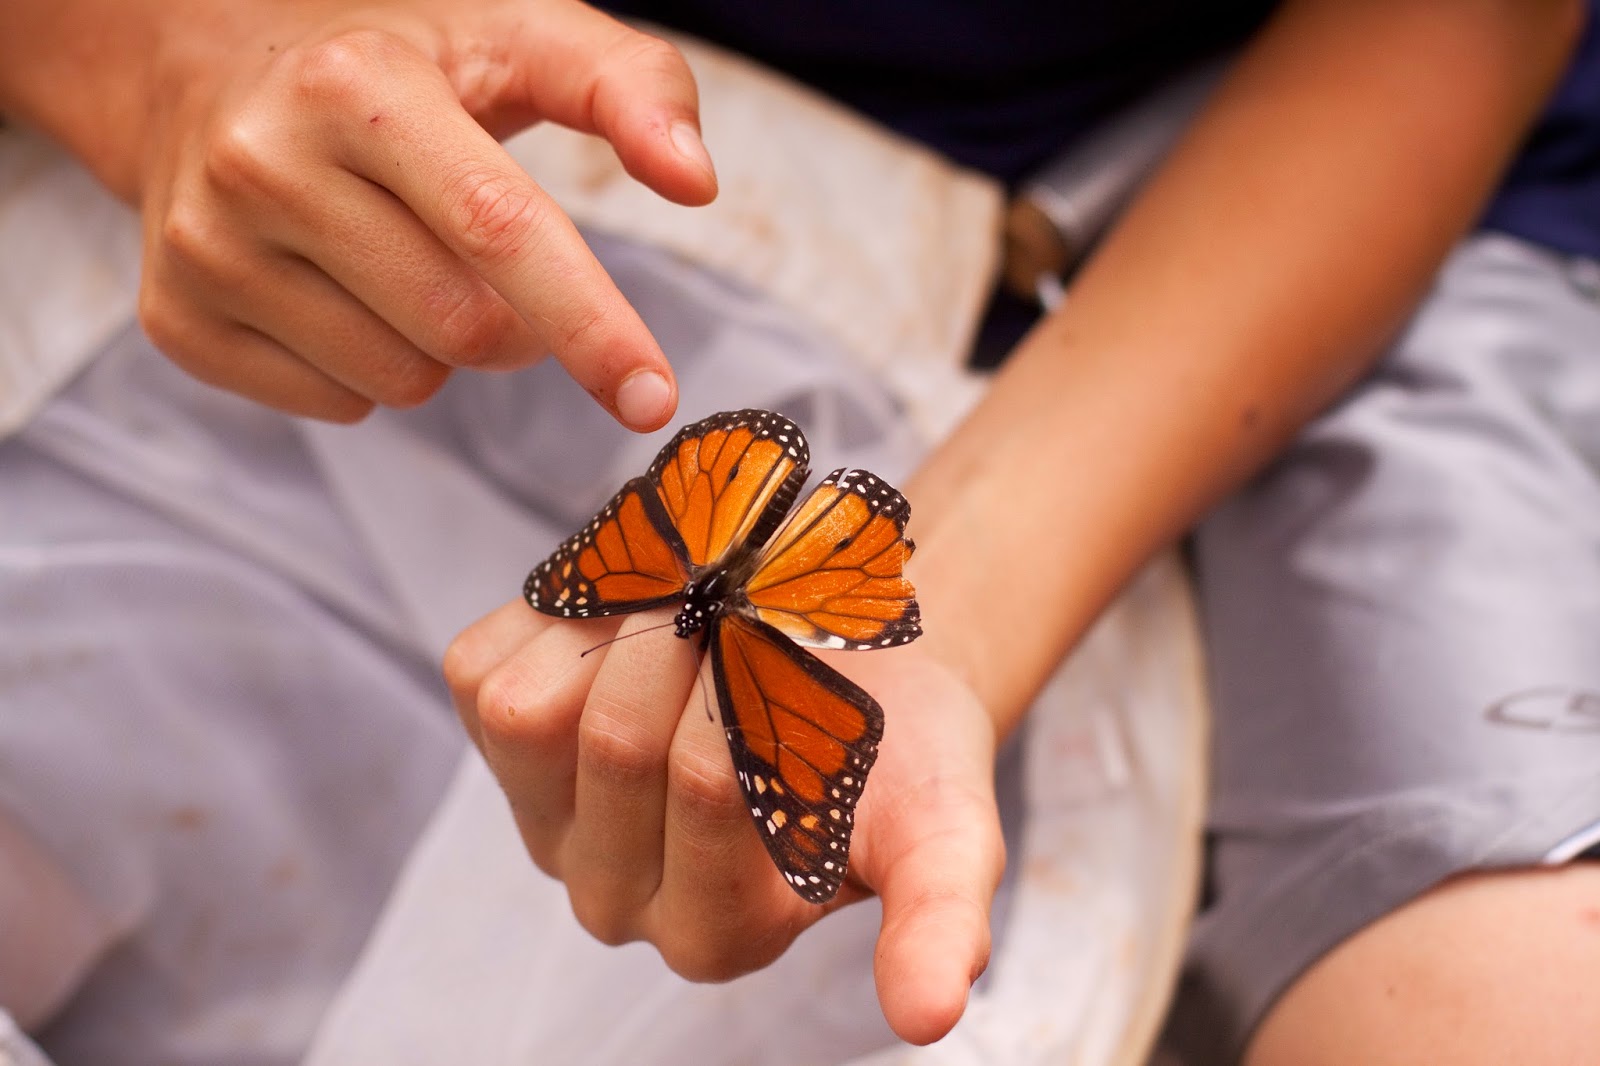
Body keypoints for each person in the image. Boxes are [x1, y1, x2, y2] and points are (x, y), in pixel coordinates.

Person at [1, 2, 1596, 1065]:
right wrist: (146, 54)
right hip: (444, 129)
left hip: (1353, 198)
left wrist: (948, 597)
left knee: (1504, 1007)